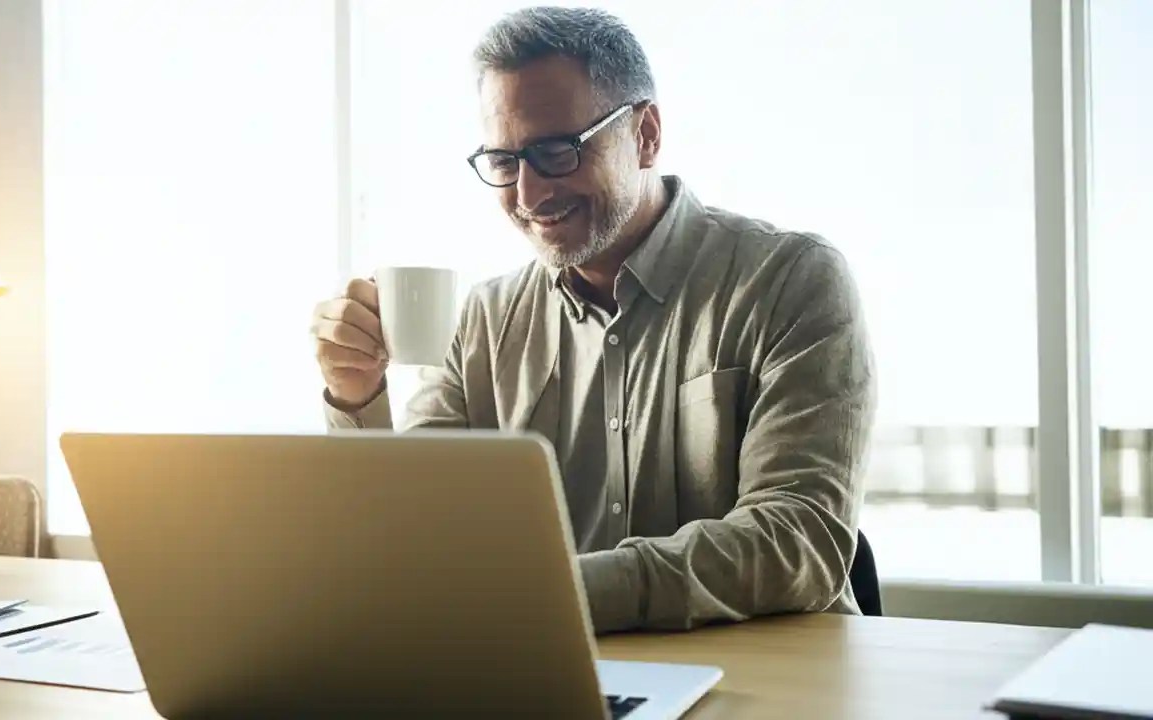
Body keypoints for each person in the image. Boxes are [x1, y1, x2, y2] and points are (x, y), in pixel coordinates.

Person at [309, 6, 876, 635]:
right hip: (554, 675)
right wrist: (358, 398)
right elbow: (411, 537)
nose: (528, 195)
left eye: (556, 152)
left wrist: (558, 593)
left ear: (647, 135)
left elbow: (798, 542)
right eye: (503, 161)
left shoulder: (789, 281)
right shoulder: (486, 321)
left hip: (770, 683)